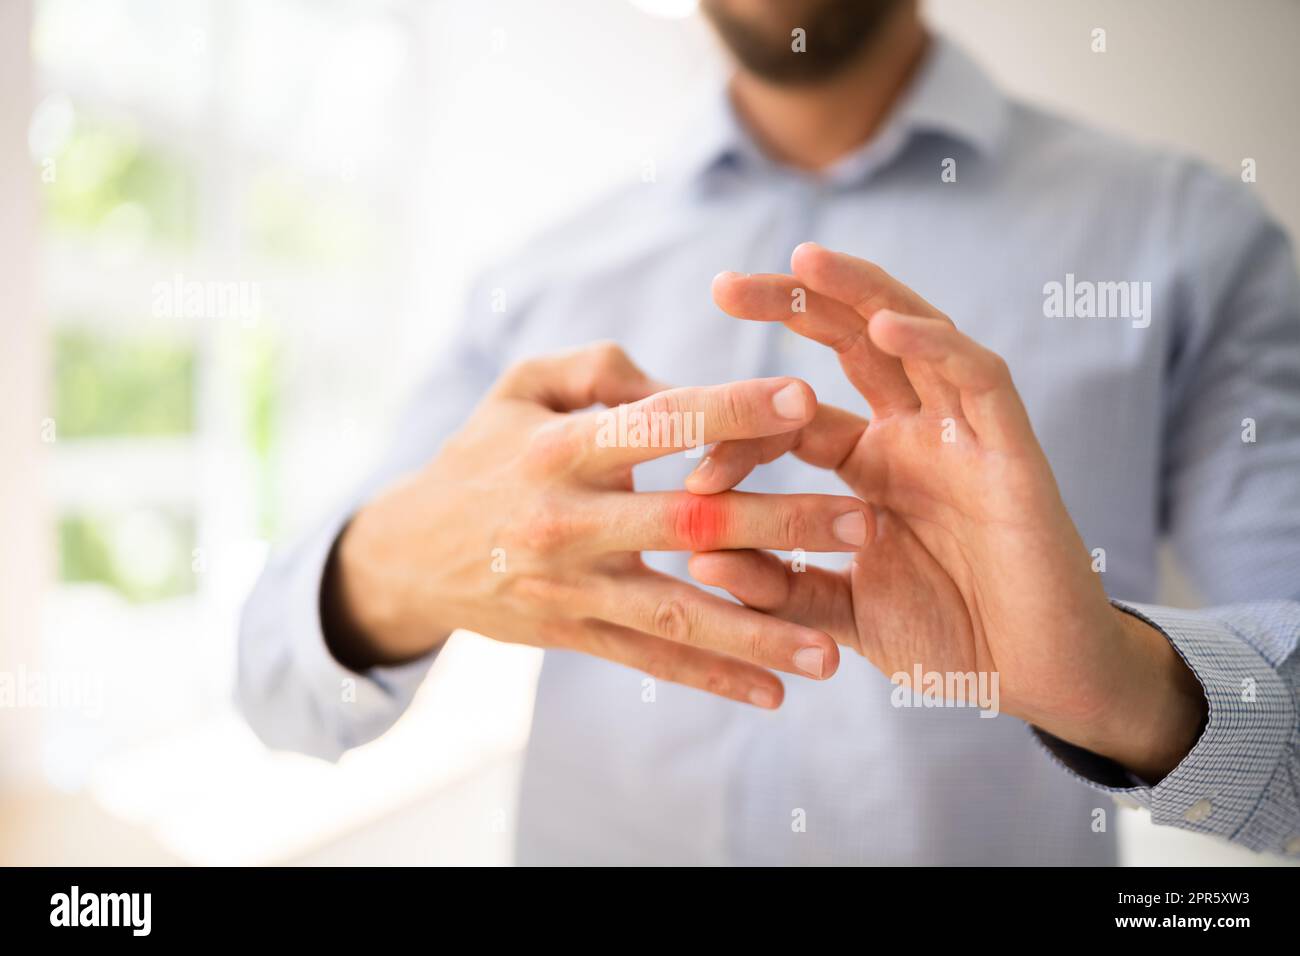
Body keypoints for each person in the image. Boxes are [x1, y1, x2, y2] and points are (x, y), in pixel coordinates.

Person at [237, 0, 1300, 864]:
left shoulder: (1188, 241)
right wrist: (400, 569)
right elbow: (276, 686)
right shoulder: (536, 278)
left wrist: (1117, 680)